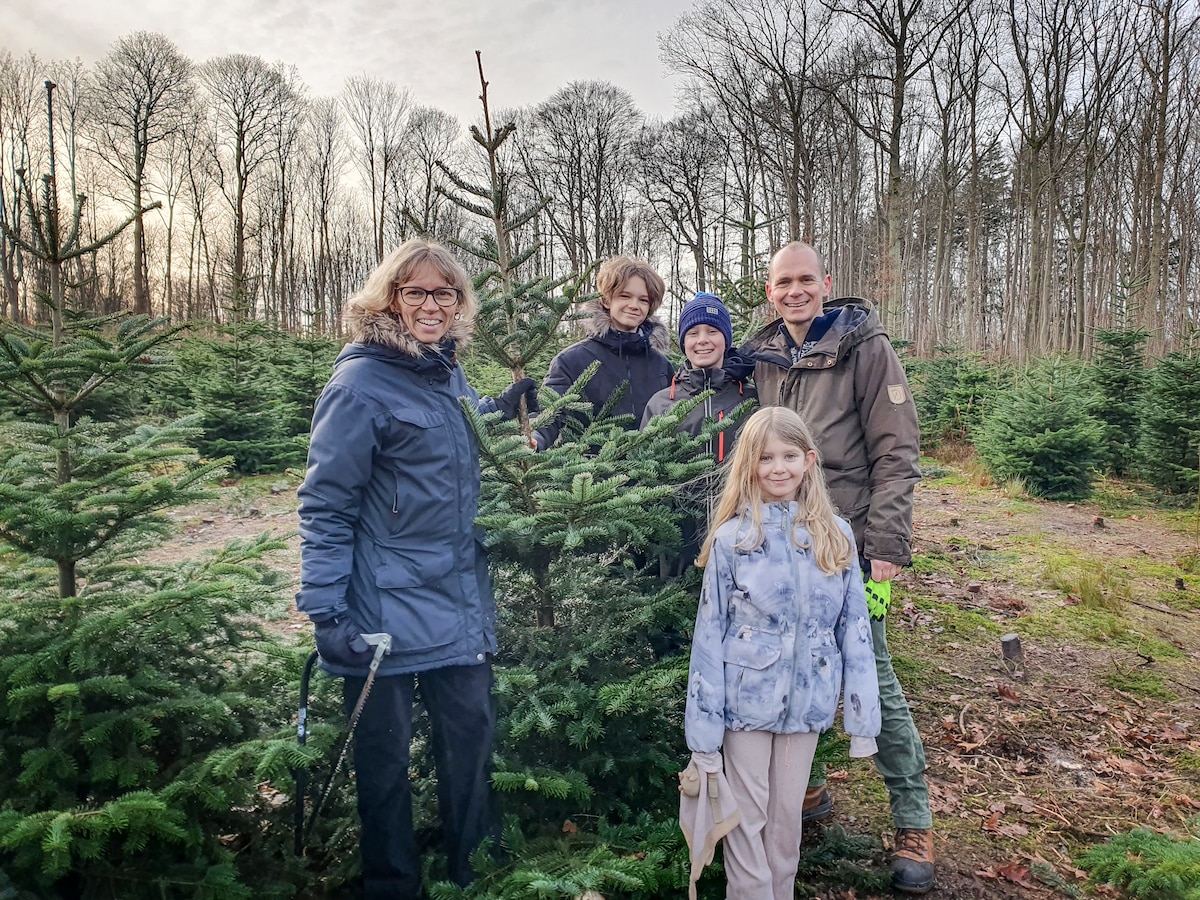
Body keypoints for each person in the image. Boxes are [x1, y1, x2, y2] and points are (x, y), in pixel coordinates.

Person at [296, 238, 537, 898]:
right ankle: (392, 883)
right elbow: (325, 501)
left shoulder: (444, 370)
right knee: (383, 760)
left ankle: (474, 870)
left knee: (471, 737)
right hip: (382, 607)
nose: (432, 305)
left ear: (460, 302)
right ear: (390, 299)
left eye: (445, 294)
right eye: (417, 293)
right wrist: (325, 608)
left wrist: (499, 409)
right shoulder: (358, 384)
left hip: (456, 594)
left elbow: (442, 439)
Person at [739, 241, 933, 894]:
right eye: (781, 282)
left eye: (804, 280)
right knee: (788, 665)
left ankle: (913, 820)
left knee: (869, 673)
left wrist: (885, 546)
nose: (794, 291)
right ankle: (810, 791)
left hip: (844, 546)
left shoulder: (864, 348)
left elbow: (898, 449)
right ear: (770, 291)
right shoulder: (765, 356)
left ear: (826, 283)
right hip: (775, 545)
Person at [683, 406, 881, 900]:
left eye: (789, 455)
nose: (778, 468)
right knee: (747, 819)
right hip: (744, 705)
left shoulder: (836, 536)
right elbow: (709, 637)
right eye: (766, 457)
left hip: (808, 705)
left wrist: (863, 721)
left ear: (809, 460)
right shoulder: (733, 539)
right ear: (749, 465)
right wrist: (703, 737)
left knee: (785, 820)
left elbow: (855, 631)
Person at [533, 255, 672, 449]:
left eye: (643, 300)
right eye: (625, 296)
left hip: (653, 473)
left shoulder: (662, 365)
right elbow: (548, 414)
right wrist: (534, 439)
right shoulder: (571, 361)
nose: (634, 305)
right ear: (607, 300)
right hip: (589, 476)